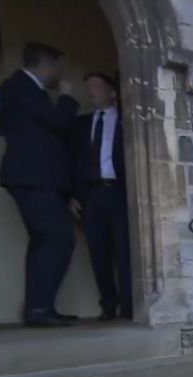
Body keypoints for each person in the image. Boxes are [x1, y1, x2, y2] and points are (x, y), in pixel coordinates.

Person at [0, 42, 79, 327]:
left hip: (36, 179)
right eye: (59, 67)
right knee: (59, 239)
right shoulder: (20, 86)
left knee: (43, 242)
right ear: (48, 65)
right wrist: (67, 97)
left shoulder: (24, 91)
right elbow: (58, 122)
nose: (60, 74)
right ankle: (39, 309)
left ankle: (39, 309)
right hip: (32, 178)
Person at [70, 72, 132, 321]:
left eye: (96, 86)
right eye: (88, 87)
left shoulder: (127, 121)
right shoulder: (81, 125)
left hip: (118, 192)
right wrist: (73, 195)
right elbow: (73, 161)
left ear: (112, 93)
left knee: (126, 251)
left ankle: (129, 305)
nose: (91, 91)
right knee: (98, 252)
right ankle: (108, 304)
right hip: (91, 194)